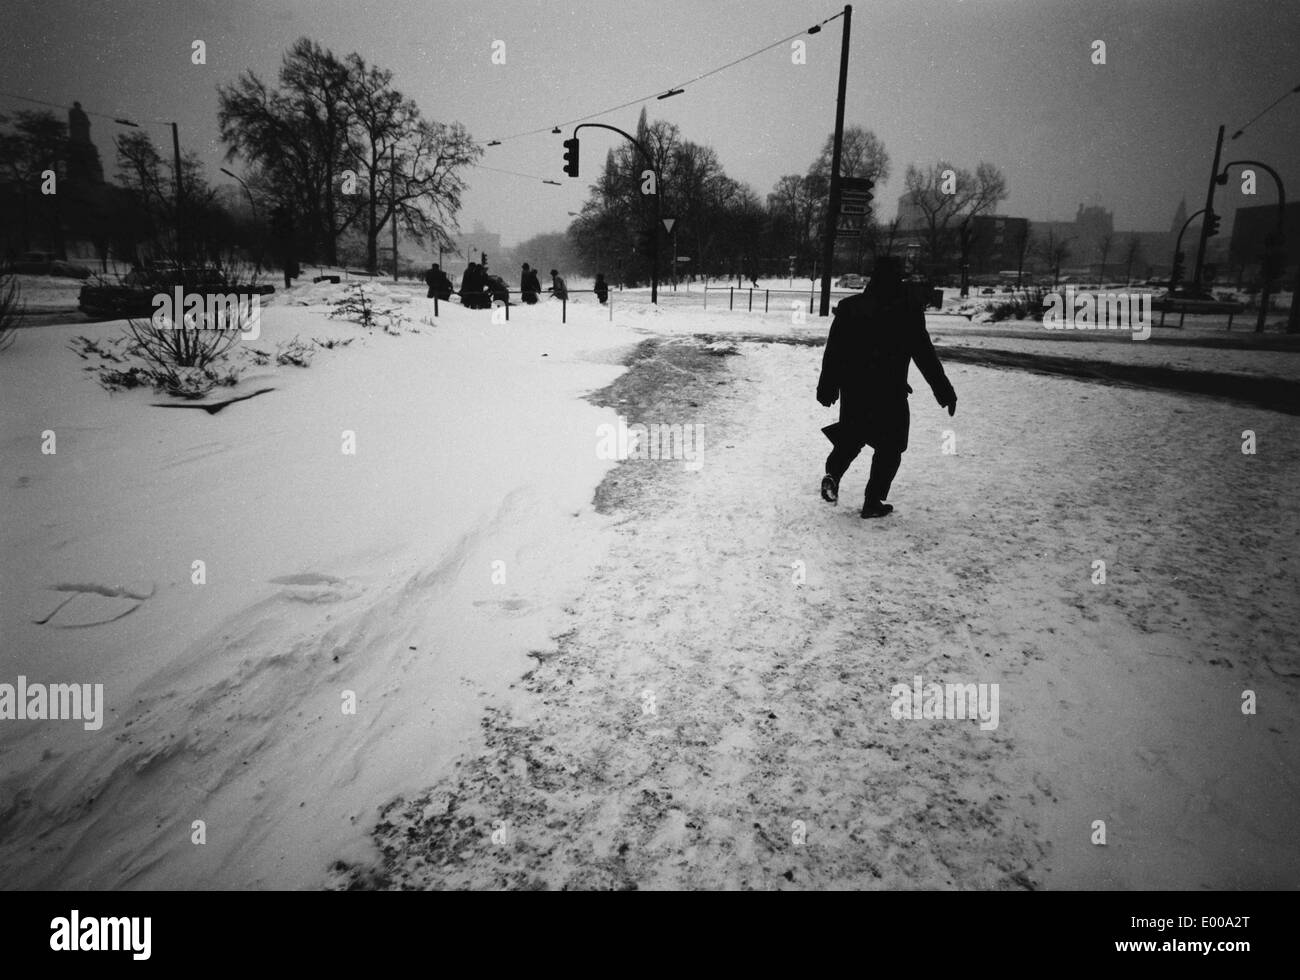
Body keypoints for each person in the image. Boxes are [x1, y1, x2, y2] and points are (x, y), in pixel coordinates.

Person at [816, 255, 957, 519]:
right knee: (890, 447)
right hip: (889, 392)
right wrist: (944, 391)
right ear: (898, 278)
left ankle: (832, 475)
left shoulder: (850, 307)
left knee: (851, 438)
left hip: (854, 389)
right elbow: (925, 356)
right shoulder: (908, 310)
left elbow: (834, 352)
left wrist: (827, 387)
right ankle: (872, 501)